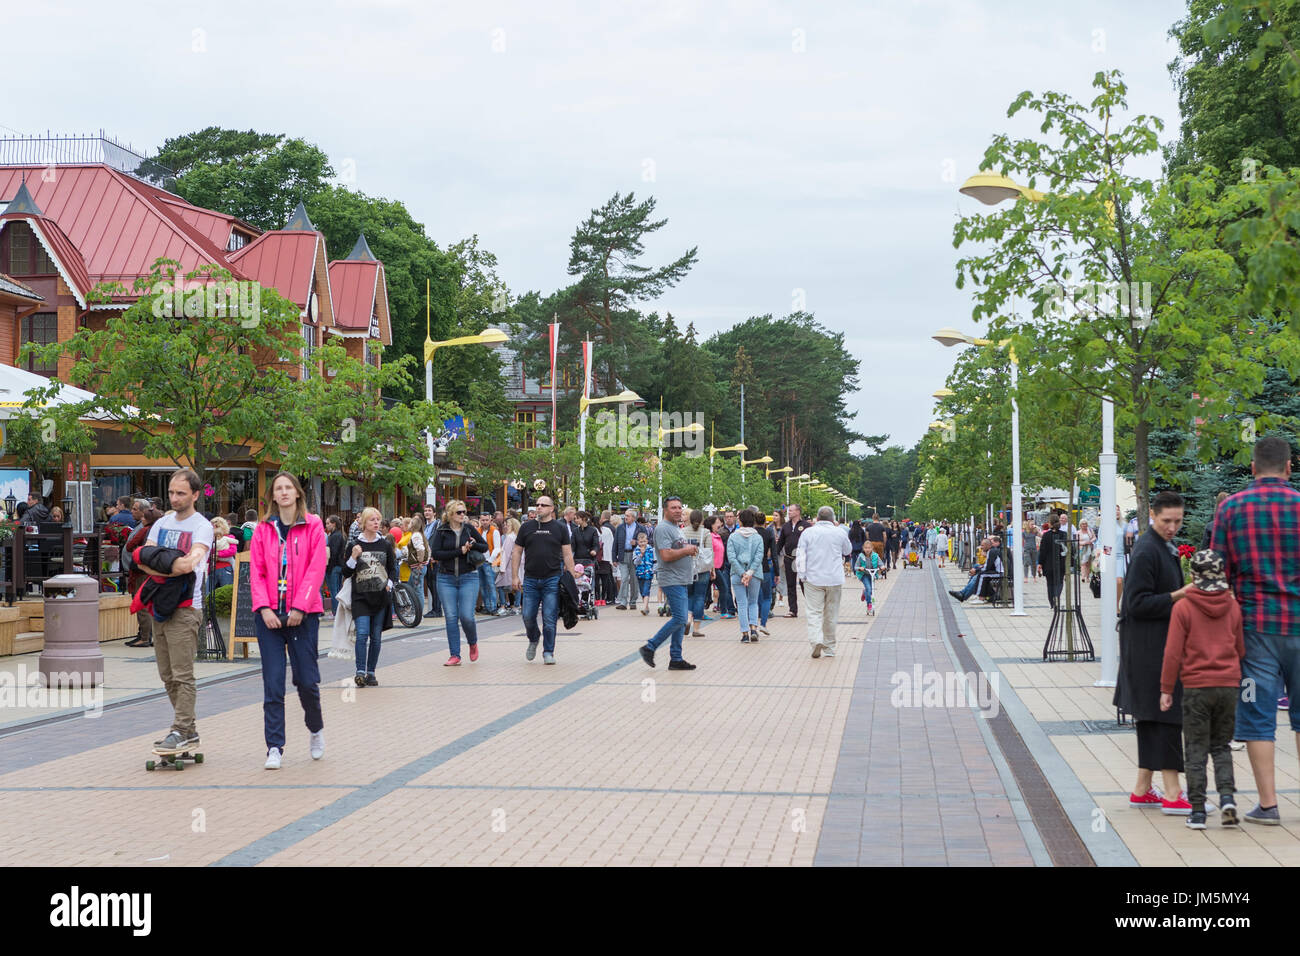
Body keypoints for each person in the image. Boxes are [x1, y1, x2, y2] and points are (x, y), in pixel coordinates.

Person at [1210, 436, 1300, 825]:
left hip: (1255, 627)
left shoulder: (1230, 509)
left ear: (1251, 467)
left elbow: (1215, 577)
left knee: (1259, 716)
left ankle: (1268, 804)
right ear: (1288, 467)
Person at [1114, 491, 1194, 816]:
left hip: (1150, 644)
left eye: (1178, 521)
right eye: (1166, 521)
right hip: (1150, 647)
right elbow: (1135, 603)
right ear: (1153, 517)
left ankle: (1142, 789)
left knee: (1149, 716)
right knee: (1166, 714)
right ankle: (1173, 793)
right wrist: (1180, 595)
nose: (1172, 526)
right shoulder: (1149, 550)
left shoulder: (1162, 546)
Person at [1159, 549, 1244, 829]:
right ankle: (1228, 798)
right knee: (1221, 746)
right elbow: (1240, 648)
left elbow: (1173, 652)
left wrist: (1166, 689)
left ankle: (1197, 810)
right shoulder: (1233, 606)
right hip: (1228, 685)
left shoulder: (1183, 607)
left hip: (1196, 686)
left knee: (1195, 748)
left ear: (1193, 576)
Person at [248, 472, 327, 769]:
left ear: (297, 493)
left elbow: (316, 568)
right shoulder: (263, 530)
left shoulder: (313, 525)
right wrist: (264, 608)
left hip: (302, 616)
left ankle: (316, 729)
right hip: (269, 617)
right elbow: (256, 572)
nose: (283, 493)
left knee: (306, 681)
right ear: (272, 495)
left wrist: (300, 607)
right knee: (273, 683)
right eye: (278, 488)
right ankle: (274, 747)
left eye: (288, 488)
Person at [139, 468, 213, 753]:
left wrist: (160, 565)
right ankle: (189, 730)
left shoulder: (201, 526)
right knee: (166, 674)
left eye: (181, 493)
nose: (174, 498)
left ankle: (181, 728)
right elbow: (141, 558)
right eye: (171, 492)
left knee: (183, 674)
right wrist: (171, 566)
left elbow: (189, 564)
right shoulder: (162, 523)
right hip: (160, 603)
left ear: (195, 494)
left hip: (186, 607)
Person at [511, 495, 575, 664]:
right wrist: (515, 575)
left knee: (549, 618)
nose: (538, 507)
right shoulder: (526, 527)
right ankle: (533, 638)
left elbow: (567, 552)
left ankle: (548, 651)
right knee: (527, 616)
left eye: (543, 505)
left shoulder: (560, 528)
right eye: (537, 504)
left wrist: (572, 571)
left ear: (551, 509)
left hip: (552, 579)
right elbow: (517, 551)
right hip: (530, 579)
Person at [637, 496, 698, 671]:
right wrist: (686, 550)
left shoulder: (675, 527)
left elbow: (676, 548)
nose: (678, 510)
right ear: (665, 510)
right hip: (672, 578)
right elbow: (665, 555)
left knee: (679, 619)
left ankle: (676, 658)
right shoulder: (663, 528)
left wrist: (689, 548)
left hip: (681, 577)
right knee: (680, 618)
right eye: (673, 508)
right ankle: (650, 647)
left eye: (680, 507)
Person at [344, 507, 398, 687]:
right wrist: (353, 557)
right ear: (363, 523)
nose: (376, 523)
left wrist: (389, 584)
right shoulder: (354, 545)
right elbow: (345, 571)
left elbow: (392, 568)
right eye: (372, 520)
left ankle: (371, 672)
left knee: (376, 636)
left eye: (378, 520)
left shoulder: (385, 544)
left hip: (380, 596)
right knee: (362, 634)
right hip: (361, 597)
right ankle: (360, 671)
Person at [432, 500, 488, 666]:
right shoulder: (442, 531)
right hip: (445, 578)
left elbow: (484, 547)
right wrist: (459, 551)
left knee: (466, 616)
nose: (463, 515)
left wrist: (473, 544)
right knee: (451, 617)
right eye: (459, 512)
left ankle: (472, 642)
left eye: (464, 512)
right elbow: (436, 554)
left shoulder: (469, 529)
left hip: (468, 576)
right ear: (450, 514)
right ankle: (455, 654)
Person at [798, 506, 852, 658]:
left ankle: (816, 640)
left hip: (813, 578)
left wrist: (802, 576)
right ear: (833, 518)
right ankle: (829, 647)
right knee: (831, 613)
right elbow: (847, 550)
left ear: (817, 517)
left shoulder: (808, 532)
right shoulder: (839, 532)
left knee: (813, 612)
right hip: (834, 578)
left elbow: (801, 555)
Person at [123, 499, 163, 648]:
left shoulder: (145, 529)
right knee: (149, 603)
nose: (133, 512)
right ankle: (147, 635)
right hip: (153, 570)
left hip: (141, 571)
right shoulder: (158, 530)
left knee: (142, 603)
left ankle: (145, 637)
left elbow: (130, 545)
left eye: (135, 509)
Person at [728, 509, 764, 642]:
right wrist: (750, 573)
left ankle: (744, 634)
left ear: (741, 521)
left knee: (742, 604)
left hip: (737, 574)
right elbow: (759, 556)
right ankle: (754, 627)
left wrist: (742, 573)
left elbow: (731, 557)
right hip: (755, 573)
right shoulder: (758, 537)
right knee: (753, 602)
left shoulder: (733, 536)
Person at [682, 509, 714, 637]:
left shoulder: (683, 532)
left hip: (687, 568)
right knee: (700, 597)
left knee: (688, 595)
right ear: (701, 520)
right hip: (702, 568)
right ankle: (696, 628)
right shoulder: (705, 532)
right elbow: (710, 553)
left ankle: (688, 618)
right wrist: (712, 569)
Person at [777, 504, 810, 618]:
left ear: (798, 512)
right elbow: (780, 543)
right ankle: (792, 610)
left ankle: (812, 607)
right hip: (789, 558)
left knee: (804, 583)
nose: (789, 512)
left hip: (802, 560)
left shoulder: (806, 526)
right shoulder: (786, 526)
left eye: (791, 510)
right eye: (788, 511)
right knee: (790, 584)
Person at [613, 508, 646, 609]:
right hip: (623, 555)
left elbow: (646, 542)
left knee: (634, 579)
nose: (625, 517)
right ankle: (623, 601)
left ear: (633, 517)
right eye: (625, 515)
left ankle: (633, 601)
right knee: (623, 579)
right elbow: (615, 543)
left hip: (635, 555)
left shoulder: (640, 528)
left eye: (627, 516)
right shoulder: (620, 527)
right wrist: (614, 558)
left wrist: (636, 543)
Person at [708, 515, 733, 620]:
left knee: (721, 589)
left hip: (718, 567)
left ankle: (722, 611)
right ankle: (723, 611)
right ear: (712, 525)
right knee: (724, 588)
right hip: (712, 568)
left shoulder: (716, 535)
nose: (720, 524)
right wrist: (711, 567)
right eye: (717, 522)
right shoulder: (709, 536)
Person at [406, 514, 430, 618]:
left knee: (417, 588)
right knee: (411, 586)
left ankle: (418, 612)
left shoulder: (415, 535)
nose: (408, 524)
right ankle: (414, 609)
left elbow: (421, 549)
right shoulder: (420, 534)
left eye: (410, 522)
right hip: (419, 566)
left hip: (417, 567)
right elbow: (428, 550)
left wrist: (420, 562)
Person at [324, 515, 346, 615]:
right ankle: (337, 611)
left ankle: (335, 612)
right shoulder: (337, 535)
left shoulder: (335, 536)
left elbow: (334, 553)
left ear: (334, 524)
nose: (327, 525)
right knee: (337, 590)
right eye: (326, 523)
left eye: (328, 523)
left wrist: (328, 567)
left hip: (334, 566)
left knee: (334, 591)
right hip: (338, 566)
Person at [497, 517, 520, 612]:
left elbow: (505, 553)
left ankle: (503, 606)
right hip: (517, 564)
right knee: (517, 585)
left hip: (509, 565)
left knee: (500, 585)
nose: (505, 526)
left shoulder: (510, 537)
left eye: (507, 524)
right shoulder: (517, 536)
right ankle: (516, 606)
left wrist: (502, 567)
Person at [210, 517, 237, 589]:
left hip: (225, 568)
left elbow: (232, 551)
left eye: (216, 526)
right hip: (212, 569)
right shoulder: (210, 539)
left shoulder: (229, 537)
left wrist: (218, 554)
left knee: (226, 594)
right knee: (207, 595)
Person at [633, 530, 656, 614]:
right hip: (640, 573)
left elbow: (654, 560)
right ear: (638, 542)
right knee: (642, 591)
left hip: (648, 573)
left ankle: (644, 607)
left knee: (646, 590)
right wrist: (641, 555)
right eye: (641, 542)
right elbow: (635, 562)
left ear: (647, 541)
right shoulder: (636, 551)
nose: (642, 543)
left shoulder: (651, 549)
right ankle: (646, 607)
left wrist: (654, 570)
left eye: (644, 541)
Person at [853, 544, 881, 613]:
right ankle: (869, 604)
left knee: (870, 591)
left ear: (872, 548)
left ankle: (864, 592)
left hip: (872, 574)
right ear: (863, 548)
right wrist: (860, 568)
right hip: (864, 574)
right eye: (866, 548)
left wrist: (882, 566)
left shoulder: (875, 556)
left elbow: (880, 563)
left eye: (869, 548)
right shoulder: (861, 556)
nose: (867, 549)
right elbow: (855, 566)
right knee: (868, 589)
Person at [595, 511, 616, 606]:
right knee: (607, 579)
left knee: (597, 580)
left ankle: (598, 598)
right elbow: (612, 543)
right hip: (607, 557)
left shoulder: (596, 530)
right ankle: (607, 598)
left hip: (598, 557)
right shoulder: (609, 529)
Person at [1022, 519, 1037, 584]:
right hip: (1026, 549)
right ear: (1028, 525)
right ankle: (1025, 577)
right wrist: (1023, 548)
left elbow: (1041, 535)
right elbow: (1022, 540)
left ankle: (1034, 576)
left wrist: (1037, 529)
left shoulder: (1034, 531)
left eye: (1033, 524)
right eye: (1031, 524)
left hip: (1034, 548)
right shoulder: (1024, 532)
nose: (1032, 525)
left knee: (1034, 563)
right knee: (1026, 563)